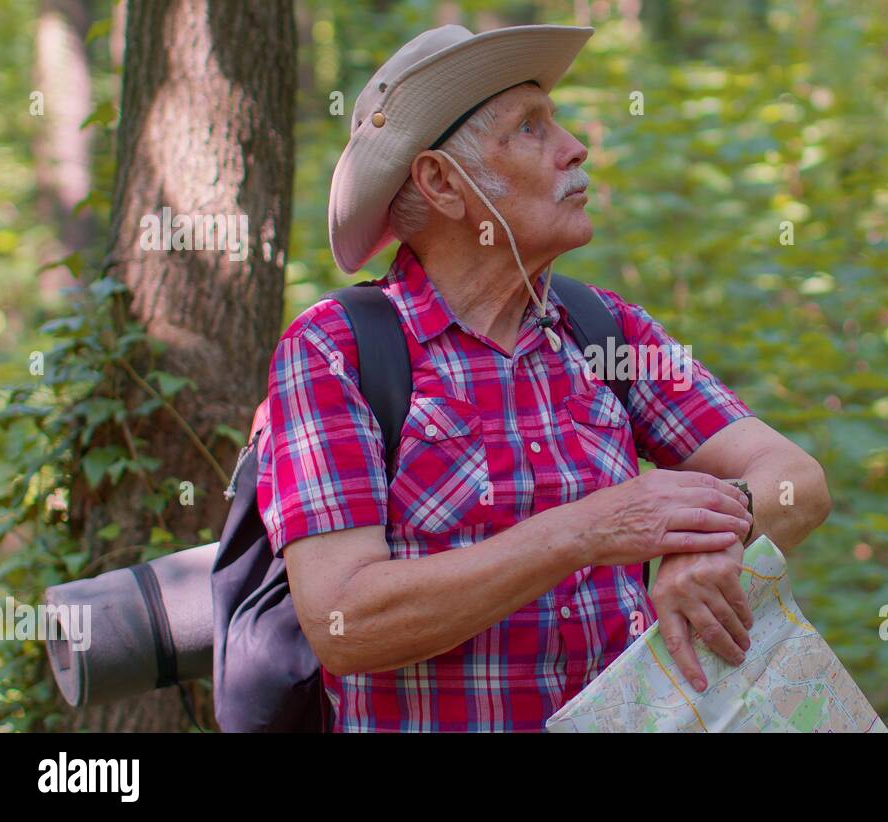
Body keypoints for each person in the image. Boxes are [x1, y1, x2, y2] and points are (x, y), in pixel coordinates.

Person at [255, 23, 831, 731]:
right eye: (530, 129)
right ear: (442, 182)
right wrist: (586, 531)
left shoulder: (604, 330)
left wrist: (714, 537)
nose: (574, 147)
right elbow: (346, 622)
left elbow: (797, 482)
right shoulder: (335, 350)